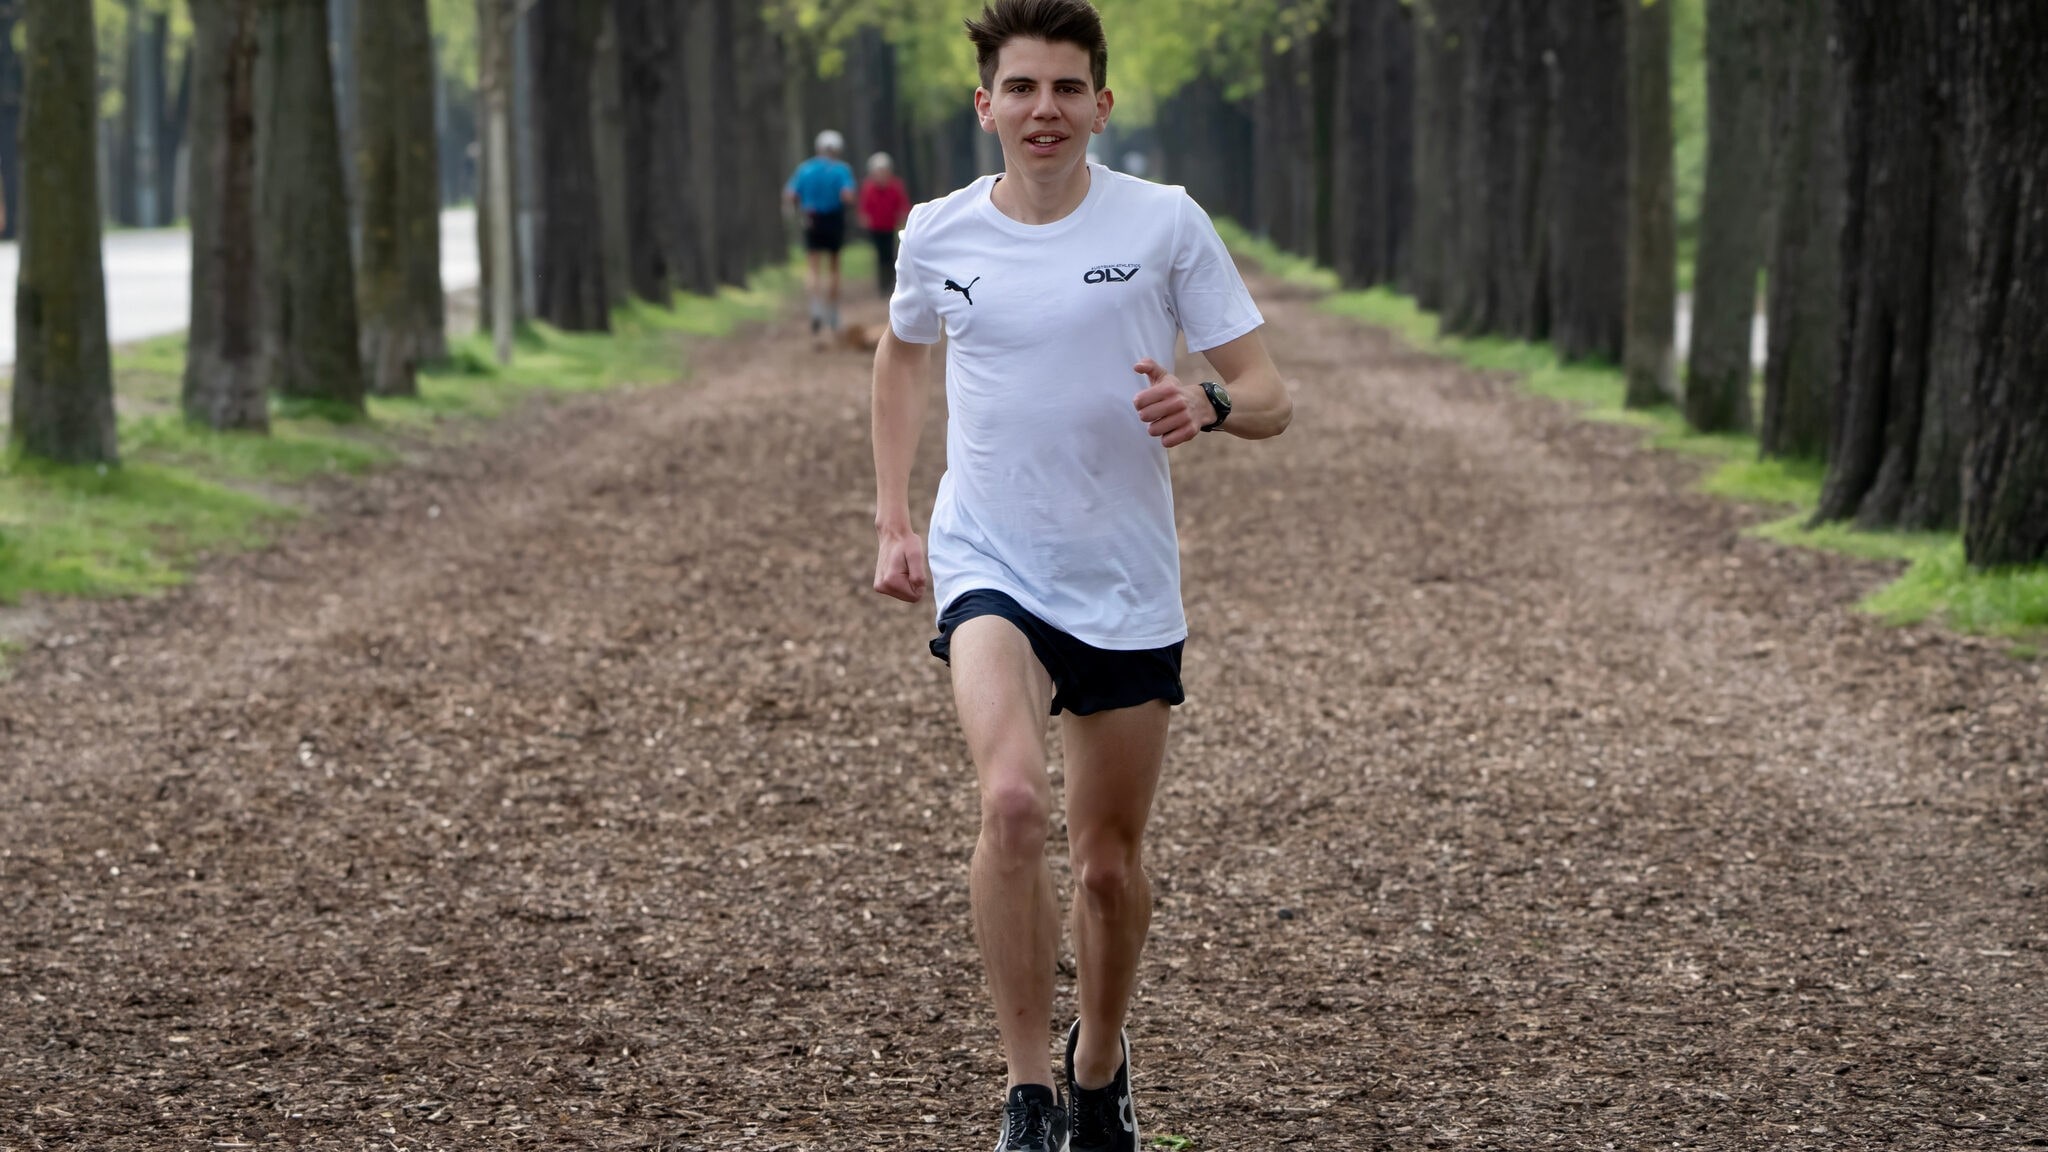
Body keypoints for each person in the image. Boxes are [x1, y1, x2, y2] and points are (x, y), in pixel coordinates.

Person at [867, 2, 1291, 1150]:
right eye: (1021, 89)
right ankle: (1024, 1094)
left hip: (1119, 575)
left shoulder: (1163, 225)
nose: (1042, 110)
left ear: (1101, 104)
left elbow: (1268, 393)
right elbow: (901, 354)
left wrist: (1204, 403)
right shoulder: (939, 234)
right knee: (1009, 804)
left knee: (1106, 869)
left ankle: (1097, 1061)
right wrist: (896, 517)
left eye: (1065, 89)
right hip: (988, 554)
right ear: (985, 105)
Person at [784, 129, 857, 334]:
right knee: (834, 267)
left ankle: (815, 307)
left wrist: (798, 207)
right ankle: (832, 311)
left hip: (812, 219)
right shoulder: (842, 170)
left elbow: (790, 194)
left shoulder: (805, 169)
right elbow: (847, 195)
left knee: (813, 267)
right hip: (834, 220)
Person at [858, 152, 912, 296]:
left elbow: (902, 204)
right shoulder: (869, 187)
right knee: (880, 255)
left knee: (890, 255)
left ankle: (891, 283)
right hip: (875, 227)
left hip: (890, 226)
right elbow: (864, 206)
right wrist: (864, 217)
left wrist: (903, 216)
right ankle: (882, 284)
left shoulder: (895, 185)